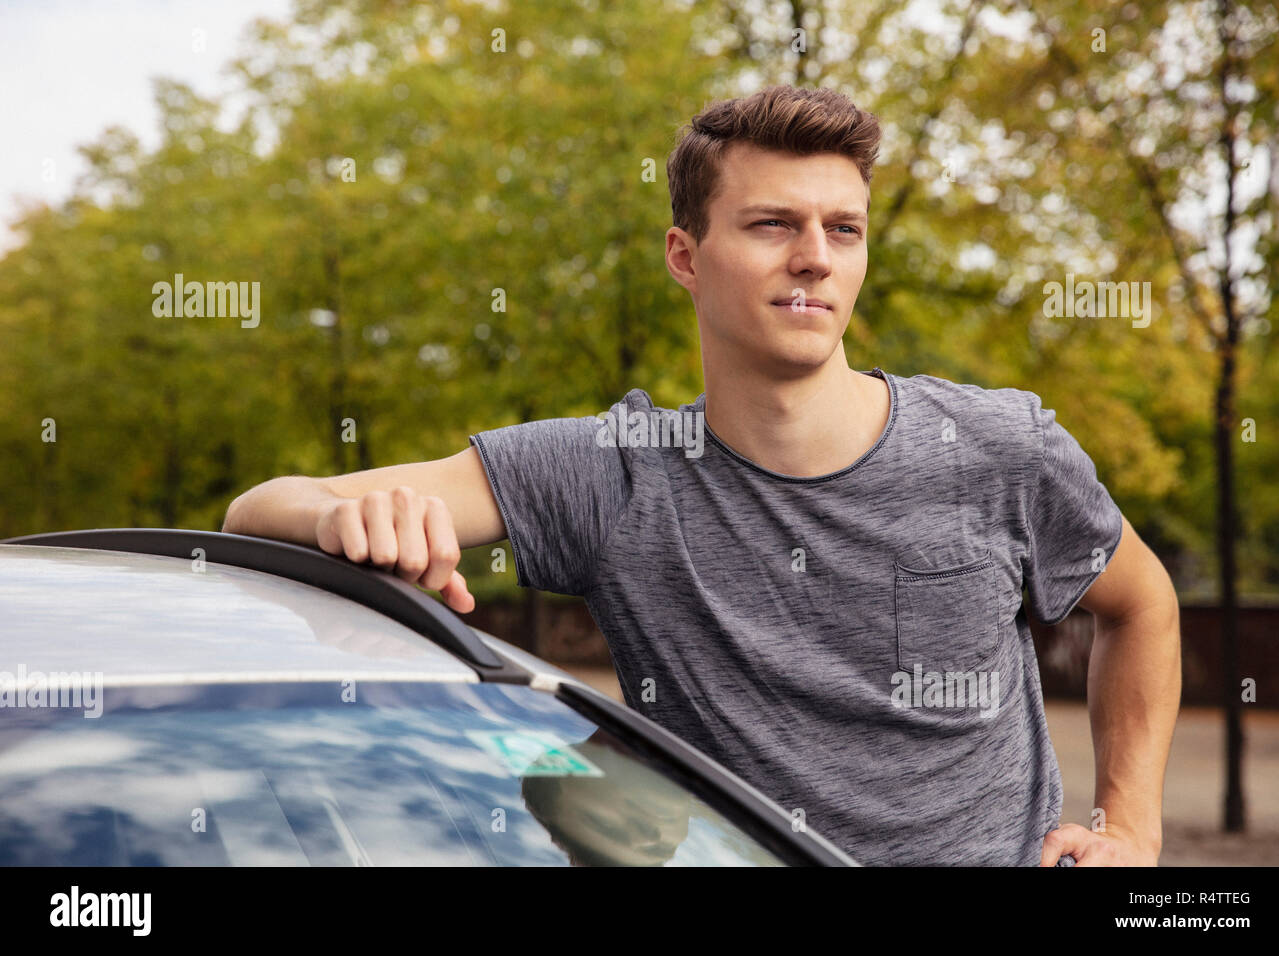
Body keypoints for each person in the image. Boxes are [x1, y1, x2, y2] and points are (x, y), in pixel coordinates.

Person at [223, 85, 1181, 867]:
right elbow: (254, 511)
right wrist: (353, 518)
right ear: (686, 255)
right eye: (773, 224)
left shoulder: (999, 447)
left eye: (842, 230)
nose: (814, 257)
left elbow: (1140, 606)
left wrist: (1129, 828)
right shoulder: (611, 474)